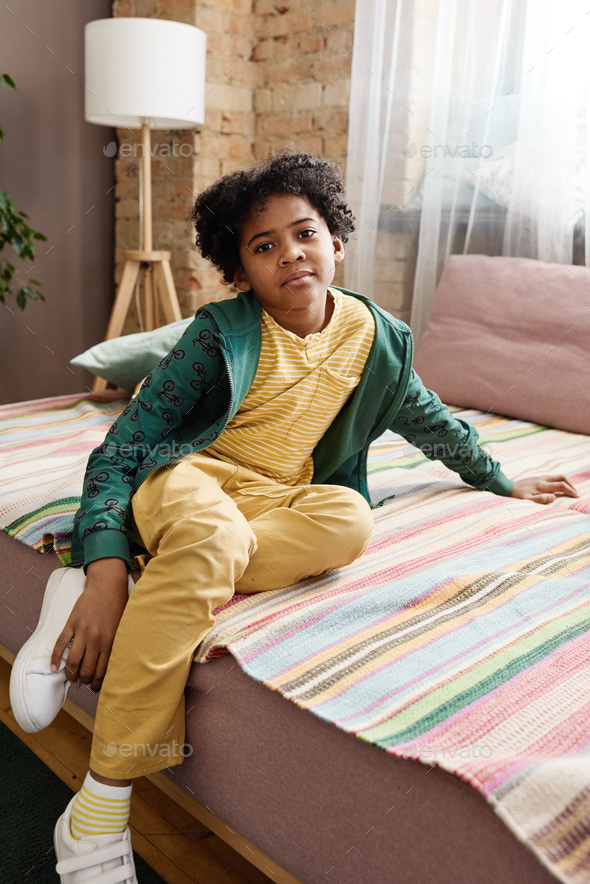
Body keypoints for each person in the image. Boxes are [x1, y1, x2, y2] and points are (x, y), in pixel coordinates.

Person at [10, 151, 579, 883]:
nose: (291, 255)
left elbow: (430, 420)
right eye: (264, 246)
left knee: (350, 521)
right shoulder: (218, 335)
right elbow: (122, 451)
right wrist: (105, 567)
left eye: (304, 234)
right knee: (210, 535)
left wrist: (502, 480)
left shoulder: (378, 339)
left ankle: (130, 582)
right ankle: (100, 803)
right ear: (239, 272)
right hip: (188, 478)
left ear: (337, 241)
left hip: (282, 494)